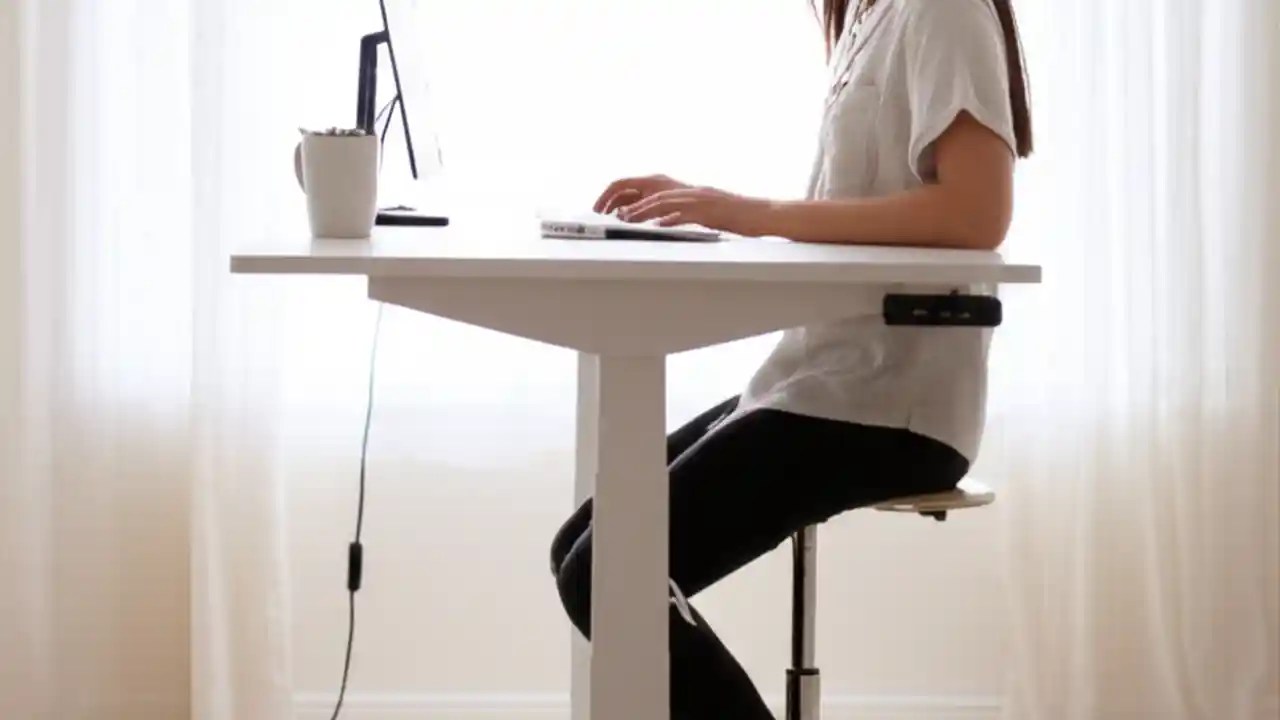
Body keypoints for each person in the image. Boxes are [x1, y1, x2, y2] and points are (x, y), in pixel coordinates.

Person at [550, 0, 1034, 717]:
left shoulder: (942, 9)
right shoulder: (870, 14)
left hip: (888, 405)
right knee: (582, 553)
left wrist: (748, 213)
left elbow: (976, 212)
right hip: (822, 381)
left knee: (604, 574)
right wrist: (715, 209)